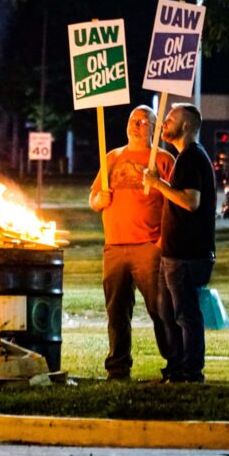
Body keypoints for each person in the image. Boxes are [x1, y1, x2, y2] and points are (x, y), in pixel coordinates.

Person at [89, 105, 175, 381]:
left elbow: (174, 203)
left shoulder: (163, 159)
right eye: (132, 120)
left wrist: (161, 241)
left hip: (148, 248)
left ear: (153, 128)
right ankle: (118, 367)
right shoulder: (111, 157)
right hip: (114, 247)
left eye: (143, 122)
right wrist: (96, 202)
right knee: (116, 311)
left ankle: (176, 363)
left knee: (159, 309)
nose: (136, 125)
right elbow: (93, 198)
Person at [143, 103, 216, 383]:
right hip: (173, 253)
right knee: (168, 311)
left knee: (185, 314)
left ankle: (190, 371)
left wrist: (158, 183)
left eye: (169, 119)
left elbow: (190, 201)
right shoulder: (186, 157)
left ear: (185, 126)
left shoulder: (191, 158)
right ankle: (176, 367)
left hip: (187, 254)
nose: (163, 123)